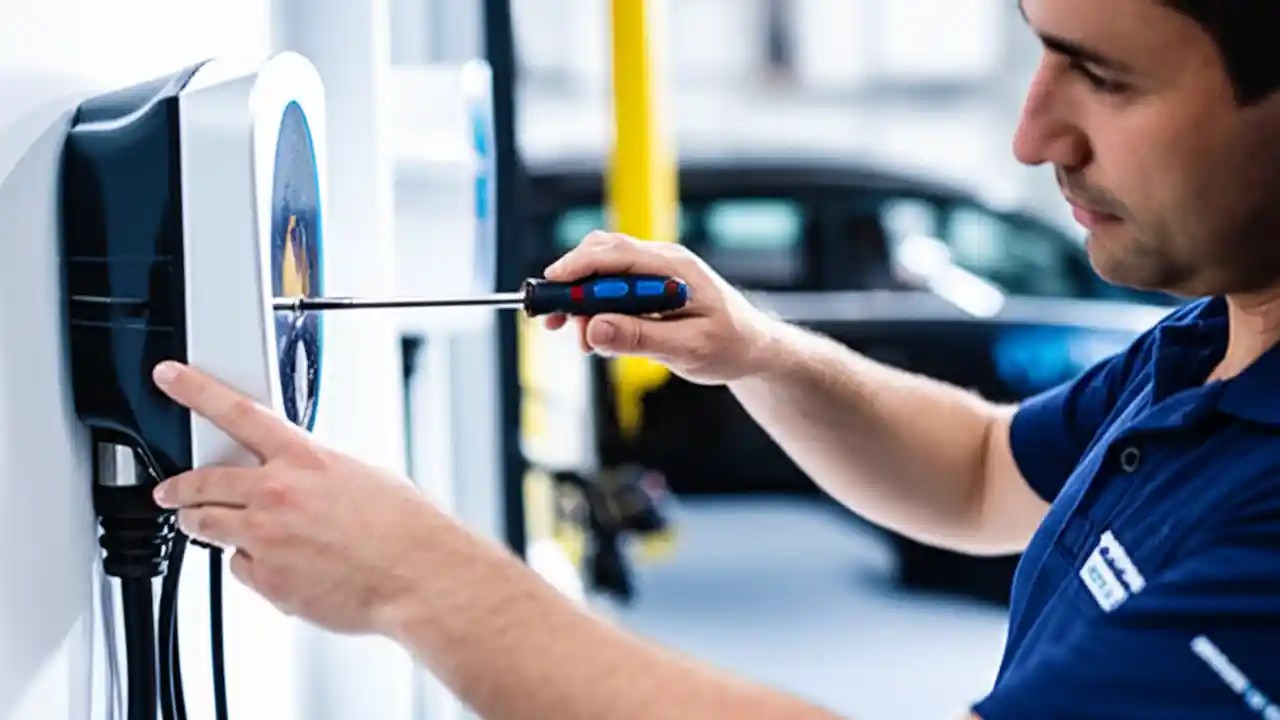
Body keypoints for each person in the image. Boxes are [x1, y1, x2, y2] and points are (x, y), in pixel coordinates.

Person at [151, 0, 1280, 717]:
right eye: (1039, 52)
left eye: (1105, 79)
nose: (1031, 137)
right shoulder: (1206, 345)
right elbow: (983, 472)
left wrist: (419, 579)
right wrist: (756, 351)